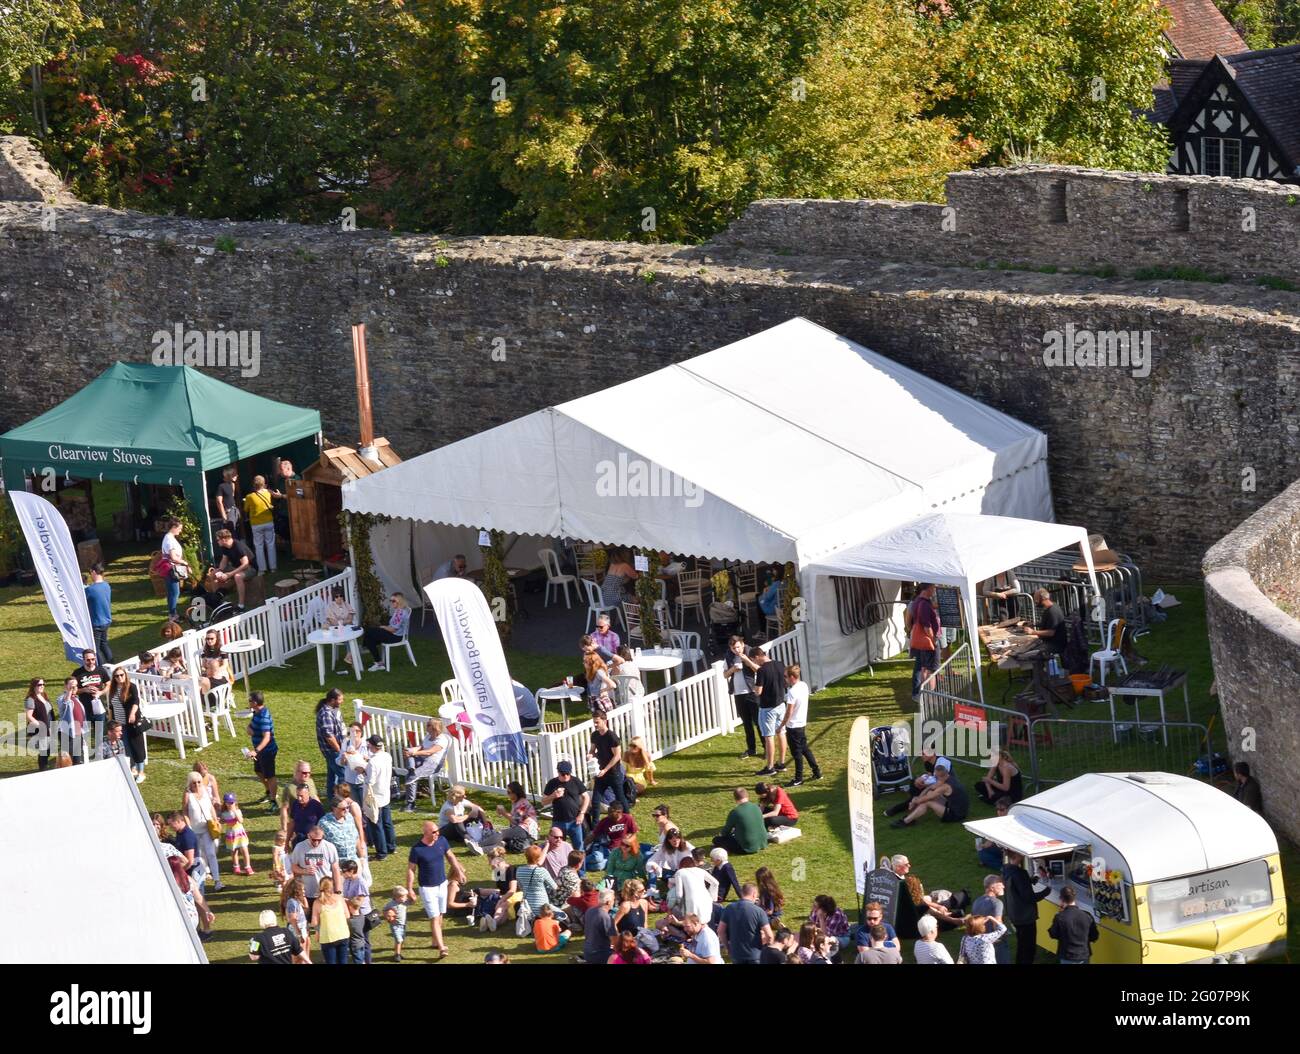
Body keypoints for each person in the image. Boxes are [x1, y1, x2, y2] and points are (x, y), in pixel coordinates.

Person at [407, 819, 466, 958]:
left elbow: (451, 857)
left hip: (442, 884)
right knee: (434, 918)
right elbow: (411, 870)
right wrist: (409, 889)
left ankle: (435, 941)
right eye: (434, 832)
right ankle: (441, 947)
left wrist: (459, 872)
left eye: (437, 831)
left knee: (440, 915)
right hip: (428, 889)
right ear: (426, 833)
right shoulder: (417, 849)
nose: (437, 833)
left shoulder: (442, 841)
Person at [1003, 852, 1053, 965]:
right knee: (1028, 948)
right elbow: (1029, 897)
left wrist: (1035, 878)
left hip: (1014, 913)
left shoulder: (1007, 869)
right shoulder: (1019, 873)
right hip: (1024, 917)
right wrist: (1047, 891)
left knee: (1022, 945)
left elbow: (1019, 885)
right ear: (1016, 856)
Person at [775, 663, 820, 786]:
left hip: (793, 727)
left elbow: (789, 711)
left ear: (791, 677)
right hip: (801, 724)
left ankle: (798, 778)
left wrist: (781, 726)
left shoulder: (792, 692)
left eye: (785, 676)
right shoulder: (803, 685)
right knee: (805, 749)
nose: (784, 679)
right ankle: (817, 772)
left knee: (797, 753)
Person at [891, 763, 968, 829]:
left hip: (956, 815)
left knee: (927, 802)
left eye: (936, 777)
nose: (935, 778)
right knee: (929, 794)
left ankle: (906, 821)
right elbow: (930, 787)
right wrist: (918, 799)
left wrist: (914, 801)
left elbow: (927, 798)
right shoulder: (948, 778)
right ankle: (910, 818)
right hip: (956, 807)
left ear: (939, 776)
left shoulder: (945, 786)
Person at [106, 666, 146, 783]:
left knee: (137, 747)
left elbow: (136, 701)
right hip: (119, 724)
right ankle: (132, 769)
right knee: (126, 747)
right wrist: (111, 721)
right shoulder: (112, 689)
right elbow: (111, 707)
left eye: (121, 675)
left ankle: (141, 772)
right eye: (117, 676)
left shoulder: (131, 687)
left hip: (131, 722)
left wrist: (132, 714)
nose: (119, 677)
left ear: (125, 675)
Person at [184, 770, 223, 891]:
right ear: (190, 784)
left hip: (207, 828)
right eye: (194, 783)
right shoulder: (187, 795)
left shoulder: (205, 791)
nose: (197, 785)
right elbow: (185, 812)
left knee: (211, 853)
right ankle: (201, 882)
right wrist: (189, 827)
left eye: (199, 782)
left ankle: (217, 881)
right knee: (199, 857)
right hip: (195, 830)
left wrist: (215, 818)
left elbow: (211, 806)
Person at [291, 825, 342, 917]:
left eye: (319, 840)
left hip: (325, 891)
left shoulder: (329, 847)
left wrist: (338, 890)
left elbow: (335, 869)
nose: (316, 843)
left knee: (326, 918)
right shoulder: (300, 847)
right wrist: (304, 871)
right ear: (308, 836)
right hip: (307, 892)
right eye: (314, 840)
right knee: (309, 918)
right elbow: (293, 867)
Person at [541, 760, 591, 852]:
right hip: (558, 821)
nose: (566, 776)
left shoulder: (576, 781)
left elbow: (586, 797)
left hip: (575, 821)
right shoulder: (552, 783)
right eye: (563, 774)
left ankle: (581, 866)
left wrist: (582, 813)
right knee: (557, 848)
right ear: (558, 772)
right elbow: (543, 802)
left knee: (579, 848)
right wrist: (553, 796)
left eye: (568, 774)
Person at [717, 883, 773, 964]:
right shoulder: (759, 911)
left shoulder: (729, 908)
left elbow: (720, 931)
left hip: (736, 955)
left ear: (742, 893)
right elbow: (770, 935)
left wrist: (728, 947)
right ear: (754, 894)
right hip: (755, 955)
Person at [753, 644, 787, 775]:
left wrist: (754, 689)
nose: (755, 663)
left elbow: (758, 691)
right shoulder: (779, 664)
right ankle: (781, 763)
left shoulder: (762, 671)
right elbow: (784, 683)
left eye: (754, 660)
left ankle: (770, 767)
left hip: (768, 708)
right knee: (781, 733)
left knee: (769, 737)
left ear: (757, 657)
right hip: (781, 705)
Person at [724, 636, 761, 759]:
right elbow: (725, 675)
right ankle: (751, 749)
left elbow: (759, 670)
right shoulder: (729, 656)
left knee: (758, 722)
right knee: (746, 723)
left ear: (743, 644)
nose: (737, 650)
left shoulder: (751, 652)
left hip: (751, 692)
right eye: (734, 648)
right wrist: (733, 669)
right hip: (738, 693)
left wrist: (747, 661)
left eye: (738, 647)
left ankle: (767, 748)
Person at [404, 717, 451, 811]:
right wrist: (413, 750)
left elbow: (429, 752)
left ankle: (410, 803)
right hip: (422, 760)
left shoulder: (442, 740)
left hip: (433, 764)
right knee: (408, 753)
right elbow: (422, 746)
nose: (426, 726)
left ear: (435, 727)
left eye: (429, 725)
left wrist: (414, 753)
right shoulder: (428, 736)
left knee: (410, 777)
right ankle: (412, 769)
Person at [71, 648, 110, 760]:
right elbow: (72, 690)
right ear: (83, 660)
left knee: (100, 733)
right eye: (88, 660)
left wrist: (100, 692)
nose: (91, 662)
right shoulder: (77, 673)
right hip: (85, 708)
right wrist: (84, 690)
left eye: (93, 659)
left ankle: (100, 754)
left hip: (98, 707)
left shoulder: (100, 670)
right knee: (86, 734)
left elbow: (108, 683)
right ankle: (86, 755)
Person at [587, 710, 629, 813]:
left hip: (614, 773)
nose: (595, 725)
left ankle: (628, 818)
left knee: (620, 798)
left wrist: (605, 770)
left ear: (604, 721)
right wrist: (590, 755)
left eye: (597, 722)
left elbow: (617, 756)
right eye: (594, 722)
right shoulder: (595, 735)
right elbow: (592, 750)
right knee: (596, 801)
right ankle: (595, 826)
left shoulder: (612, 737)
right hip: (601, 773)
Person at [242, 475, 282, 574]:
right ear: (263, 484)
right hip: (268, 522)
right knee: (271, 544)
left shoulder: (249, 497)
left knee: (259, 546)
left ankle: (262, 569)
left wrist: (246, 502)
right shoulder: (268, 493)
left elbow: (246, 509)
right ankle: (273, 567)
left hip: (256, 524)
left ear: (253, 485)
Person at [1049, 885, 1099, 964]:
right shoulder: (1087, 915)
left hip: (1067, 956)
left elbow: (1053, 934)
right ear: (1074, 898)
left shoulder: (1060, 917)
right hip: (1084, 955)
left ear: (1061, 899)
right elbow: (1094, 936)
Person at [364, 734, 395, 859]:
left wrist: (363, 772)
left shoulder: (373, 762)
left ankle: (382, 852)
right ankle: (391, 846)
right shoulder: (387, 756)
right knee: (387, 823)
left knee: (376, 824)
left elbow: (370, 781)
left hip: (375, 796)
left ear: (372, 746)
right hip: (385, 794)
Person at [909, 583, 941, 701]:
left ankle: (924, 695)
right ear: (927, 589)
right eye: (933, 588)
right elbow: (927, 626)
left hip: (923, 641)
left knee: (924, 667)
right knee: (929, 669)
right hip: (927, 641)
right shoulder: (924, 604)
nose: (934, 590)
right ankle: (929, 696)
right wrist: (933, 640)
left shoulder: (918, 601)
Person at [363, 592, 410, 671]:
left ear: (399, 601)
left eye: (393, 601)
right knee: (370, 637)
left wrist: (384, 627)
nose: (391, 602)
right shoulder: (399, 610)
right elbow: (392, 627)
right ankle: (378, 661)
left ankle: (367, 649)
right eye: (391, 600)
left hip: (395, 637)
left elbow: (393, 629)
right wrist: (384, 627)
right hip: (393, 634)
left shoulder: (400, 613)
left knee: (369, 632)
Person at [713, 787, 767, 855]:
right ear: (747, 796)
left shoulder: (735, 812)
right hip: (763, 842)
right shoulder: (756, 807)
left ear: (735, 799)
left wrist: (720, 835)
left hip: (746, 847)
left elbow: (726, 831)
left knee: (717, 840)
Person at [212, 527, 256, 610]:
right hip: (237, 567)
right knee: (214, 573)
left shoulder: (238, 546)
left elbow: (245, 564)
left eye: (218, 540)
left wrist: (229, 574)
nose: (217, 542)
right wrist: (220, 570)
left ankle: (241, 605)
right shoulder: (225, 546)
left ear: (224, 539)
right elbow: (224, 560)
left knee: (237, 576)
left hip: (251, 568)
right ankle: (217, 600)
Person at [247, 692, 278, 807]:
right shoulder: (257, 712)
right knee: (258, 771)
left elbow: (267, 737)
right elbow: (251, 726)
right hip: (260, 750)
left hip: (267, 750)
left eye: (250, 700)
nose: (248, 702)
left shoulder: (263, 716)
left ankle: (274, 801)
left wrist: (256, 751)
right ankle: (269, 792)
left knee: (270, 775)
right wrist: (250, 729)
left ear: (255, 703)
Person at [315, 688, 346, 802]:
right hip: (332, 751)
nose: (342, 701)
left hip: (330, 751)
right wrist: (340, 751)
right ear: (332, 700)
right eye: (340, 699)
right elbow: (329, 736)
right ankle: (342, 800)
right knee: (343, 775)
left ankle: (331, 799)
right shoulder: (326, 714)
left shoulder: (329, 710)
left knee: (331, 776)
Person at [972, 873, 1011, 964]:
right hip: (996, 941)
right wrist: (1001, 938)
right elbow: (997, 923)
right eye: (1000, 884)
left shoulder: (977, 901)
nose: (1003, 886)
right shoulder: (997, 903)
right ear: (992, 887)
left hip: (981, 940)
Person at [438, 784, 489, 854]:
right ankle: (471, 840)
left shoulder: (461, 801)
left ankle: (486, 832)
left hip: (458, 829)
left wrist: (485, 824)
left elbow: (477, 808)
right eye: (463, 795)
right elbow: (454, 820)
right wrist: (469, 815)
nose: (465, 796)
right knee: (457, 821)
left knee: (475, 812)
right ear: (455, 796)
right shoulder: (448, 807)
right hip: (445, 832)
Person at [667, 855, 718, 923]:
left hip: (691, 903)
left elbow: (679, 894)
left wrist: (678, 904)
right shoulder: (701, 870)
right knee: (706, 922)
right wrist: (713, 898)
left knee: (694, 925)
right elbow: (715, 883)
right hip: (706, 899)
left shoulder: (680, 872)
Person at [312, 878, 351, 964]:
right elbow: (347, 915)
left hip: (327, 937)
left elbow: (314, 922)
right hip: (343, 934)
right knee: (343, 961)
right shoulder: (340, 898)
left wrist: (317, 931)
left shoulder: (317, 903)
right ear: (332, 886)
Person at [517, 844, 559, 922]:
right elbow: (554, 887)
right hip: (542, 909)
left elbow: (521, 887)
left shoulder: (519, 870)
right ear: (539, 858)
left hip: (527, 907)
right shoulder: (542, 871)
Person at [1018, 588, 1066, 657]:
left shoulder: (1053, 611)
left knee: (1029, 653)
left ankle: (1038, 667)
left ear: (1042, 598)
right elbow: (1047, 623)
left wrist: (1033, 632)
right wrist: (1034, 624)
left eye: (1036, 599)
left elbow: (1051, 632)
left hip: (1055, 645)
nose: (1035, 602)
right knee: (1027, 646)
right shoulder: (1049, 608)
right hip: (1048, 641)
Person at [23, 677, 54, 771]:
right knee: (44, 751)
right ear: (33, 686)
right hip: (40, 729)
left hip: (49, 727)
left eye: (43, 684)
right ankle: (43, 770)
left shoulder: (44, 696)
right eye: (39, 684)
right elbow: (29, 716)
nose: (42, 686)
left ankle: (44, 768)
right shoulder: (31, 699)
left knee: (48, 750)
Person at [55, 674, 87, 764]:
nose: (74, 688)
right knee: (68, 760)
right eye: (71, 686)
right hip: (67, 734)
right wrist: (69, 692)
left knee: (78, 759)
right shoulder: (61, 698)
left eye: (76, 686)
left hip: (78, 733)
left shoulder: (76, 698)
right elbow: (64, 703)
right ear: (65, 686)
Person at [84, 563, 113, 662]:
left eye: (90, 573)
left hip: (97, 622)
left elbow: (82, 600)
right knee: (104, 643)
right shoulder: (106, 585)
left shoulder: (90, 589)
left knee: (96, 649)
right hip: (106, 620)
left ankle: (102, 668)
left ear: (93, 572)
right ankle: (112, 663)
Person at [582, 889, 618, 964]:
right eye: (613, 900)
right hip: (601, 954)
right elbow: (615, 942)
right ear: (608, 902)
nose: (614, 902)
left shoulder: (590, 910)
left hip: (587, 952)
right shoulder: (606, 918)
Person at [287, 781, 327, 848]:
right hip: (298, 840)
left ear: (308, 794)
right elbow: (292, 823)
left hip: (313, 841)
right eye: (298, 796)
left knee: (313, 858)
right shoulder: (295, 804)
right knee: (298, 858)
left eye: (301, 796)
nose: (299, 798)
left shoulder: (316, 806)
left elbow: (323, 824)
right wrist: (287, 841)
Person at [160, 518, 186, 620]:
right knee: (174, 592)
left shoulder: (170, 537)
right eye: (179, 528)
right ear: (173, 527)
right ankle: (172, 615)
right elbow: (173, 557)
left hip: (171, 567)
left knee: (173, 592)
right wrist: (184, 563)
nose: (180, 530)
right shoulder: (169, 540)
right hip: (171, 568)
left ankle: (173, 613)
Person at [220, 792, 252, 874]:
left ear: (235, 802)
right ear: (225, 803)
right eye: (228, 802)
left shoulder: (238, 811)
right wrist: (219, 820)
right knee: (234, 851)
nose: (230, 804)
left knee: (244, 850)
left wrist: (235, 812)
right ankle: (236, 866)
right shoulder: (224, 813)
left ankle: (247, 866)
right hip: (231, 834)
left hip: (239, 833)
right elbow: (222, 821)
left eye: (232, 802)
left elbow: (241, 820)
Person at [976, 797, 1012, 868]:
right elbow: (991, 840)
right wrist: (983, 846)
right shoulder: (998, 821)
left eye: (1002, 810)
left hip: (1011, 850)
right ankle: (1003, 865)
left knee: (985, 855)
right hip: (1001, 848)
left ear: (1009, 810)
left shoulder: (1013, 822)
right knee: (982, 852)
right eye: (997, 809)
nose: (999, 812)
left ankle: (1004, 866)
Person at [281, 879, 310, 958]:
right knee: (299, 956)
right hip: (297, 931)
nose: (304, 891)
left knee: (305, 954)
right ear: (296, 890)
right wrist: (299, 934)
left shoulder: (296, 900)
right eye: (302, 889)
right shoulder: (292, 902)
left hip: (302, 928)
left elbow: (306, 909)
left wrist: (303, 897)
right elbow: (293, 919)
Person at [583, 650, 618, 714]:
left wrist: (602, 691)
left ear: (592, 662)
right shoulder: (591, 672)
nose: (583, 663)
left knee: (604, 721)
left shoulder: (599, 672)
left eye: (585, 661)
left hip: (601, 701)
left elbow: (613, 685)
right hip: (595, 700)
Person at [383, 886, 411, 962]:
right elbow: (384, 910)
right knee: (399, 940)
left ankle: (398, 953)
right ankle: (397, 955)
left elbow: (413, 901)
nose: (406, 898)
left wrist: (411, 893)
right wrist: (388, 916)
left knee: (401, 940)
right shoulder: (391, 904)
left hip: (403, 925)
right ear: (397, 897)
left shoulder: (404, 902)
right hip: (395, 925)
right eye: (404, 896)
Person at [214, 466, 241, 536]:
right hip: (228, 512)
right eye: (234, 474)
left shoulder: (233, 485)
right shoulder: (221, 486)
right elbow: (219, 502)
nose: (236, 476)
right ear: (230, 475)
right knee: (231, 533)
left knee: (235, 531)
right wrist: (224, 515)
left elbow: (232, 496)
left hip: (234, 510)